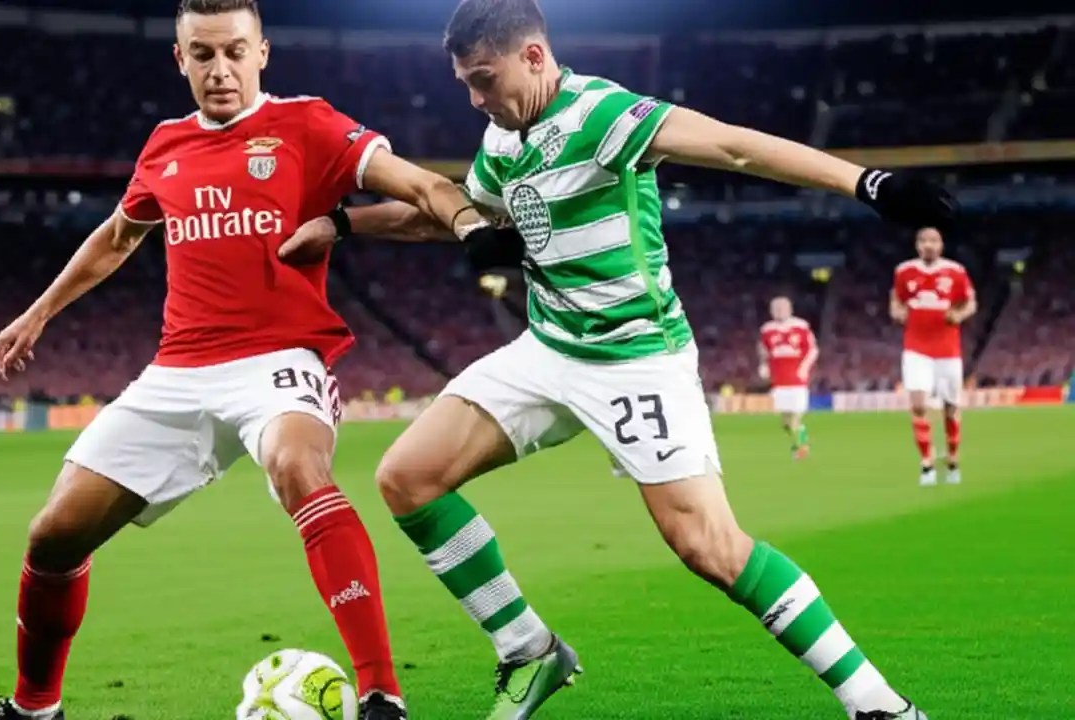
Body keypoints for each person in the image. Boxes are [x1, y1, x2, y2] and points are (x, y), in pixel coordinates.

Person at [280, 1, 956, 718]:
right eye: (465, 83)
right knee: (407, 478)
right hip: (548, 347)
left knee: (708, 546)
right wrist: (343, 223)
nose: (476, 98)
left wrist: (866, 183)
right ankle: (530, 651)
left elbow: (732, 146)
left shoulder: (602, 114)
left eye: (485, 78)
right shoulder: (502, 138)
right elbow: (440, 214)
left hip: (635, 357)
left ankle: (878, 703)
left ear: (534, 58)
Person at [0, 1, 510, 718]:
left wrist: (469, 222)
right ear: (181, 59)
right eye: (203, 54)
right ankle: (33, 708)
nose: (220, 69)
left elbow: (422, 185)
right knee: (53, 534)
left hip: (279, 362)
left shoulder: (308, 124)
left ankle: (382, 692)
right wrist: (38, 311)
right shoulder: (165, 144)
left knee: (299, 467)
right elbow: (115, 238)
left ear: (263, 52)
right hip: (175, 373)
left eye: (235, 51)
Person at [890, 227, 976, 486]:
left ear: (941, 245)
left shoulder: (955, 271)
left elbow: (970, 302)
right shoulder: (904, 271)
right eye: (924, 241)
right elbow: (896, 299)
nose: (929, 245)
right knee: (918, 405)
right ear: (917, 245)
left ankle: (952, 458)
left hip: (948, 350)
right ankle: (926, 464)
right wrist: (896, 311)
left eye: (934, 240)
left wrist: (959, 315)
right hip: (916, 349)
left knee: (951, 408)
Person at [758, 296, 820, 459]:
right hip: (779, 382)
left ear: (790, 309)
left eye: (782, 308)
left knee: (795, 418)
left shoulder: (801, 326)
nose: (779, 311)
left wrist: (803, 369)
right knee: (785, 422)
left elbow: (813, 350)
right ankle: (798, 443)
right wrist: (763, 365)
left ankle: (803, 448)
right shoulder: (767, 329)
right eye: (775, 308)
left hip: (797, 381)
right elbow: (763, 350)